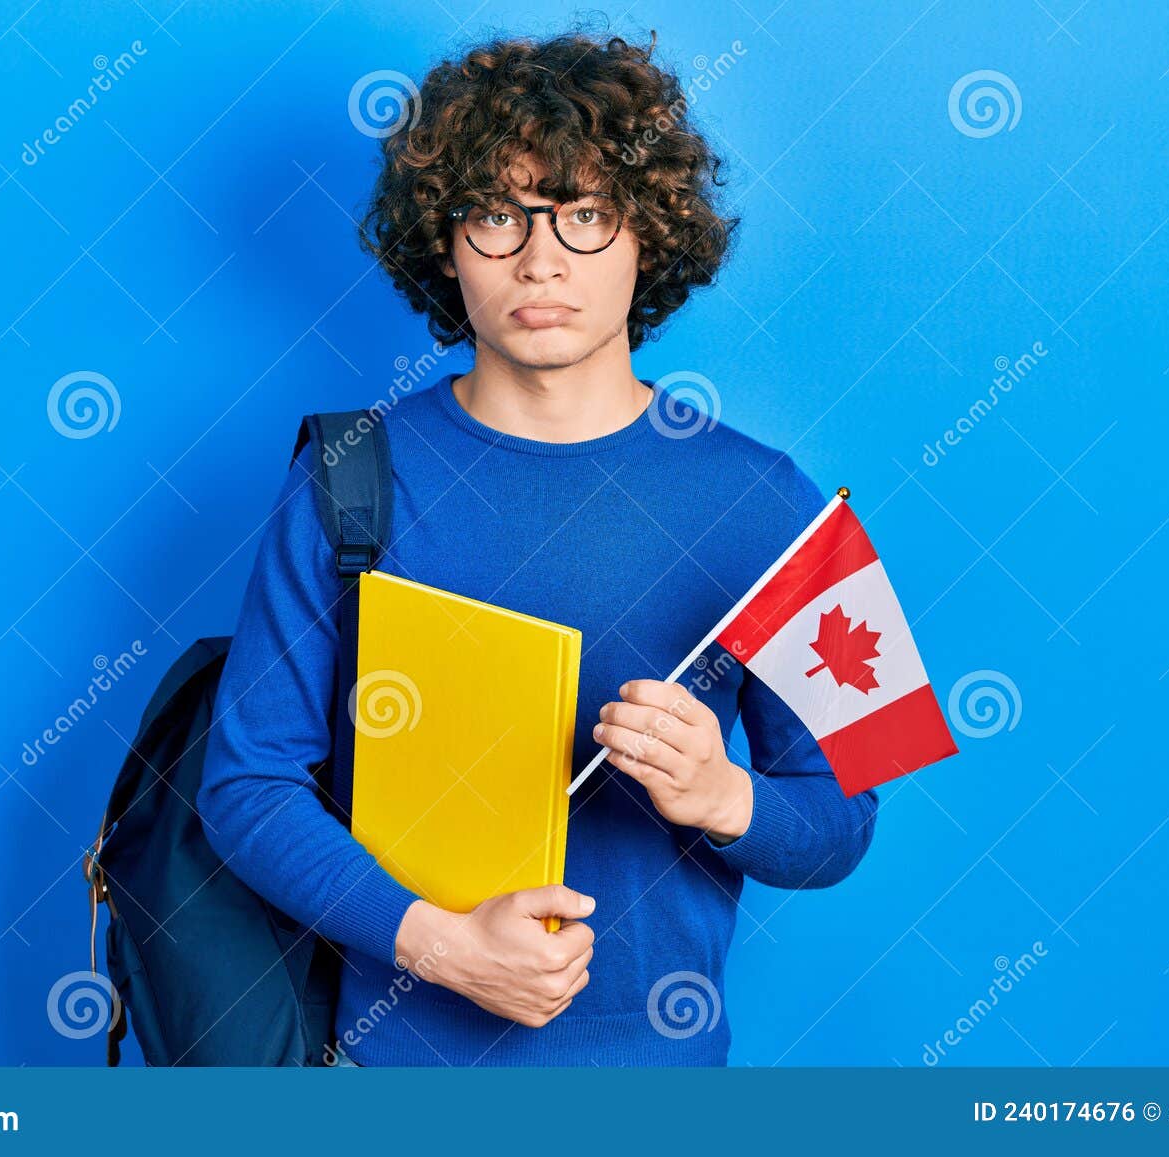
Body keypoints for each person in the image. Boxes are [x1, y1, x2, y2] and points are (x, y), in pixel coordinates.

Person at [198, 28, 879, 1067]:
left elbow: (847, 819)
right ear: (443, 241)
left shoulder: (778, 502)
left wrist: (722, 794)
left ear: (651, 232)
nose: (540, 257)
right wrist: (437, 946)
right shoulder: (342, 475)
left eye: (587, 214)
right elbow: (245, 786)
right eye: (495, 215)